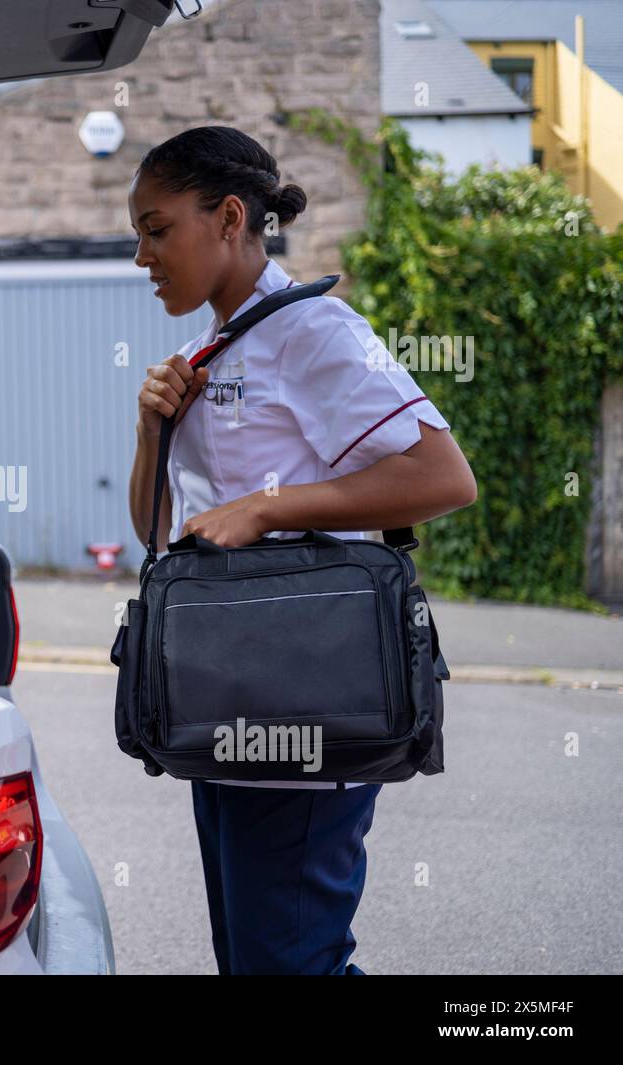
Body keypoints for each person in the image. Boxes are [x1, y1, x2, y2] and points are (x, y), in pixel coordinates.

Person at [126, 126, 477, 975]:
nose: (141, 254)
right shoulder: (207, 352)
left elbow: (443, 474)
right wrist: (151, 431)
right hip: (228, 703)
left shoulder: (315, 331)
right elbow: (157, 532)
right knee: (260, 964)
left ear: (230, 216)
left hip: (308, 705)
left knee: (292, 966)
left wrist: (270, 507)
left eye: (156, 227)